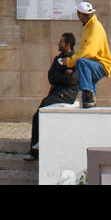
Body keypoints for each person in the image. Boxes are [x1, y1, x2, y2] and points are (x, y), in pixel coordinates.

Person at [24, 32, 79, 160]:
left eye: (61, 42)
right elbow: (51, 77)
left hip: (66, 95)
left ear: (68, 44)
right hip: (56, 92)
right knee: (37, 115)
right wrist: (64, 74)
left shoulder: (76, 59)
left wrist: (62, 76)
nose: (59, 44)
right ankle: (35, 149)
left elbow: (72, 80)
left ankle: (35, 151)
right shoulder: (57, 59)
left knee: (42, 110)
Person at [62, 1, 111, 109]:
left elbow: (89, 52)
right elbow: (84, 51)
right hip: (93, 64)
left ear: (80, 14)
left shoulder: (95, 27)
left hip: (100, 64)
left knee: (82, 64)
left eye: (78, 13)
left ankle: (89, 97)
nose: (77, 15)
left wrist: (70, 62)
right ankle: (90, 108)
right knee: (88, 92)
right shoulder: (88, 26)